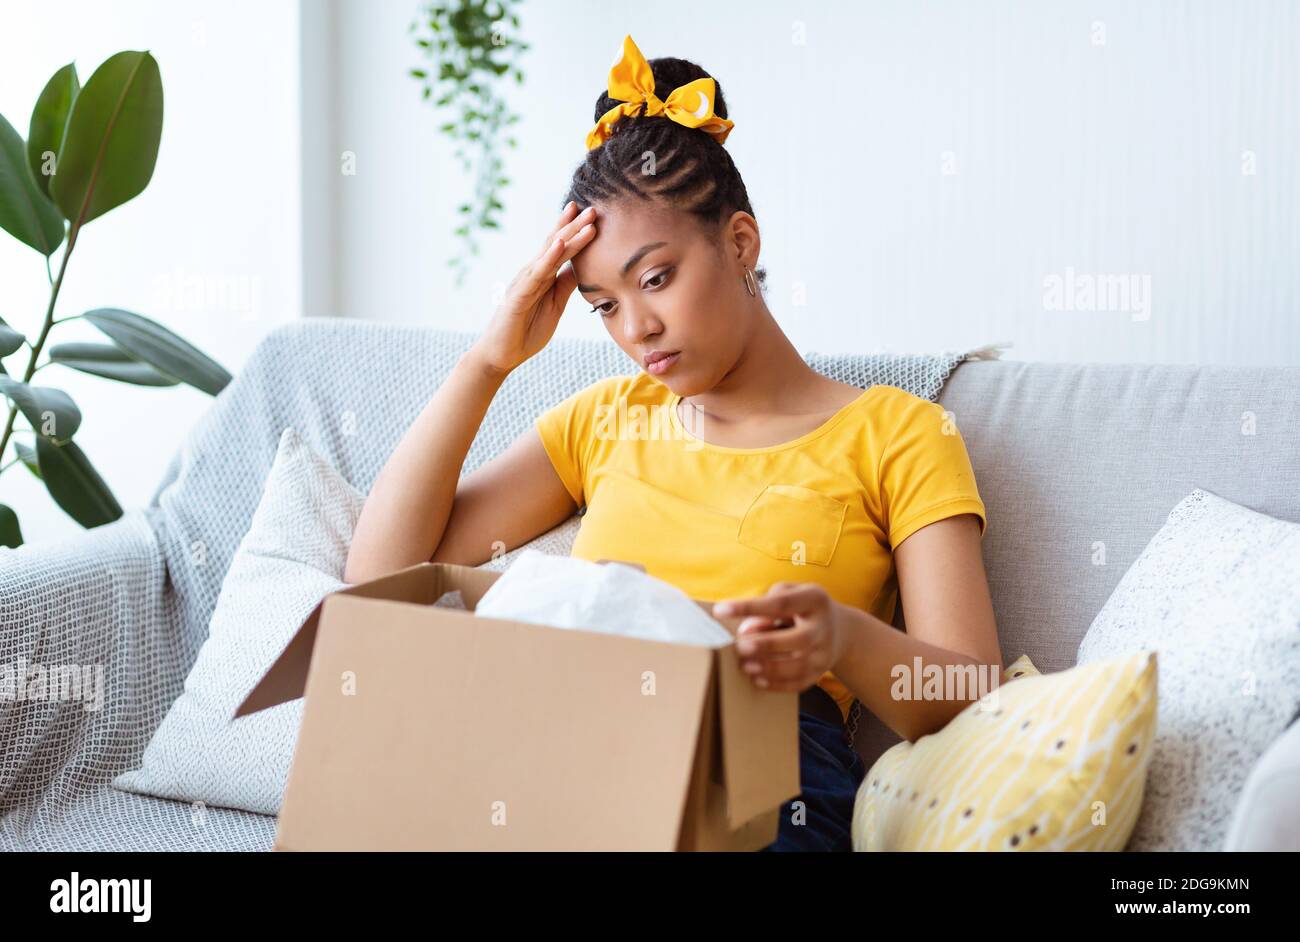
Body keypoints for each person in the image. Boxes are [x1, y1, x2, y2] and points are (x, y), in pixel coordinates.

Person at [345, 34, 1002, 852]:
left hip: (756, 748)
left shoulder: (899, 433)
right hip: (567, 728)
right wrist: (489, 361)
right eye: (604, 305)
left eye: (655, 278)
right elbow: (380, 579)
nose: (638, 328)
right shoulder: (607, 418)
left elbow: (970, 694)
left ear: (739, 244)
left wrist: (841, 636)